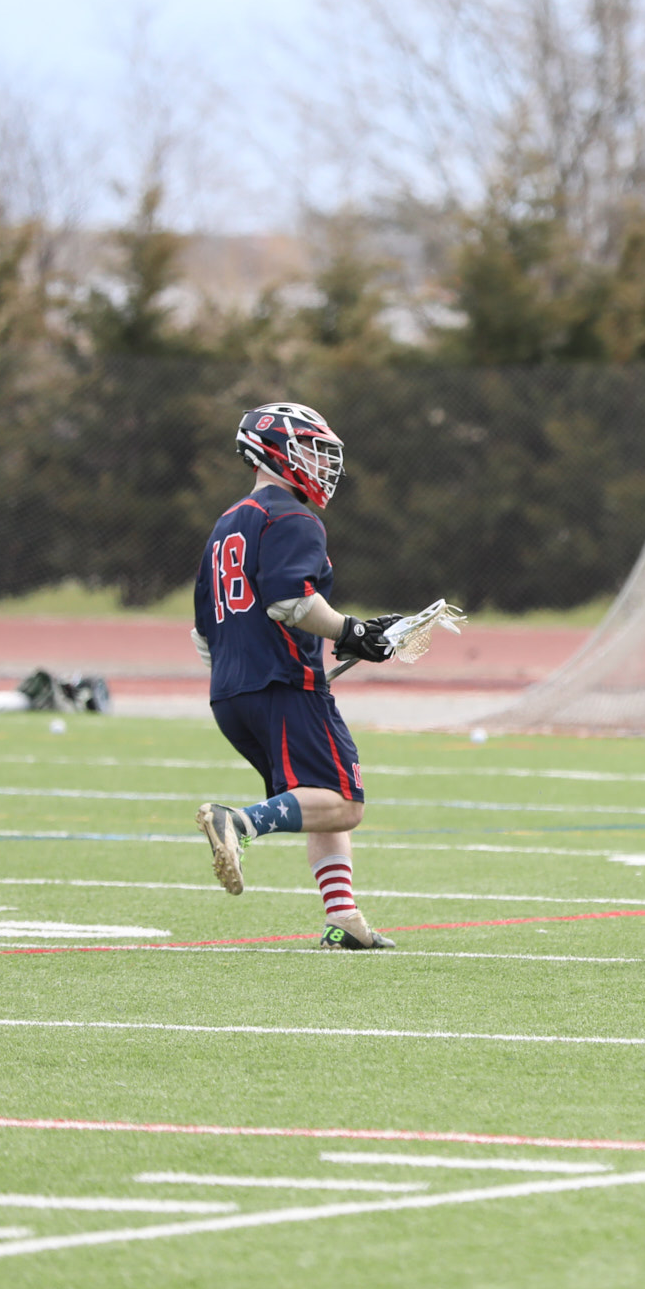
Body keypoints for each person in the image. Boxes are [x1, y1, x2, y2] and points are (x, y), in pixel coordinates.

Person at [191, 401, 405, 949]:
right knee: (344, 802)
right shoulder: (291, 515)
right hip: (284, 685)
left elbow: (202, 634)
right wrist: (352, 633)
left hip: (229, 694)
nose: (321, 464)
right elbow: (292, 601)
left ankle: (345, 916)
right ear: (274, 450)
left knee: (317, 794)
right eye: (310, 449)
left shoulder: (225, 523)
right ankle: (237, 823)